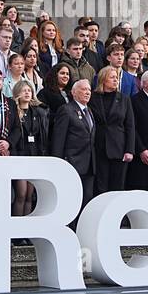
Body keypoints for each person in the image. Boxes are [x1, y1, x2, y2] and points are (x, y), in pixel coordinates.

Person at [51, 79, 97, 208]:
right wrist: (58, 162)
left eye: (89, 90)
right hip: (72, 162)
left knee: (86, 199)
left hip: (89, 164)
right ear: (74, 92)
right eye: (83, 89)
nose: (87, 92)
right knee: (71, 200)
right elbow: (58, 139)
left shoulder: (89, 111)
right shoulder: (66, 110)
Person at [10, 79, 49, 226]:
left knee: (29, 195)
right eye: (24, 90)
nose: (27, 93)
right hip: (19, 156)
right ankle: (15, 230)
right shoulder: (14, 112)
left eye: (29, 90)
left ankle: (26, 230)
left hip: (34, 156)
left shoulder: (38, 112)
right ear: (17, 93)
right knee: (20, 193)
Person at [90, 65, 135, 193]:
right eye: (112, 77)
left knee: (117, 187)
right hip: (99, 148)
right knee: (100, 186)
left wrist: (129, 150)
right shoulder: (93, 98)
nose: (116, 80)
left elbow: (130, 126)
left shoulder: (124, 99)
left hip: (119, 149)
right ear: (103, 79)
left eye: (117, 78)